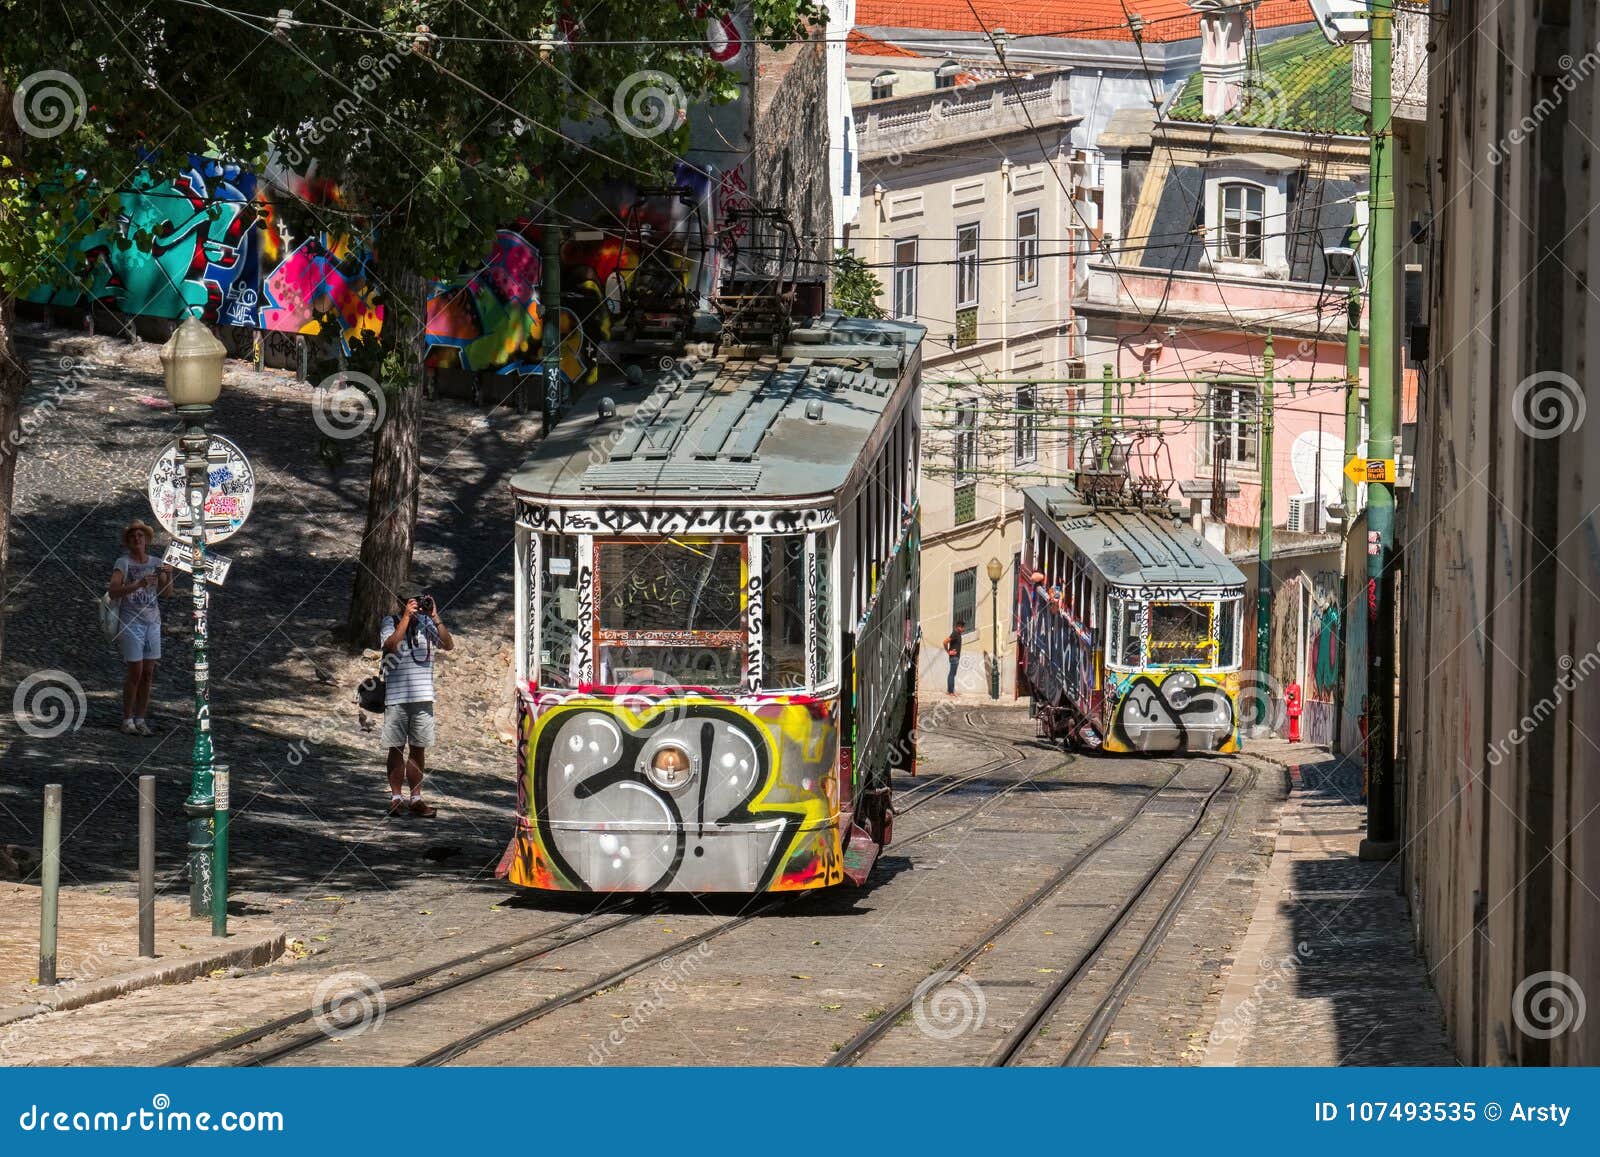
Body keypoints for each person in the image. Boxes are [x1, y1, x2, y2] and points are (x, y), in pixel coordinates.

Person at [379, 593, 455, 817]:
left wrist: (435, 616)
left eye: (418, 601)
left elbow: (448, 645)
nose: (416, 605)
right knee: (395, 747)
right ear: (401, 602)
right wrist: (405, 618)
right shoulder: (390, 621)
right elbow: (390, 646)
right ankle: (396, 797)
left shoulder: (427, 623)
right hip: (396, 696)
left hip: (423, 696)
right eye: (411, 601)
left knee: (418, 748)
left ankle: (416, 798)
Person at [108, 520, 172, 736]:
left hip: (152, 623)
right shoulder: (123, 563)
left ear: (146, 540)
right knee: (135, 671)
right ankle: (127, 719)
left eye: (140, 536)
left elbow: (167, 593)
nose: (137, 539)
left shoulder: (156, 562)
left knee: (148, 673)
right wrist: (138, 584)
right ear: (128, 541)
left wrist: (169, 574)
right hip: (131, 622)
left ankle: (141, 719)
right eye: (133, 536)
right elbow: (113, 591)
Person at [944, 620, 964, 696]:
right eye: (962, 627)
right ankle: (951, 692)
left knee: (952, 674)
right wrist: (948, 651)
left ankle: (950, 690)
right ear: (958, 627)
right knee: (952, 674)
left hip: (955, 657)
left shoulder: (957, 634)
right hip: (954, 657)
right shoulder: (955, 634)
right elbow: (945, 642)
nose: (963, 629)